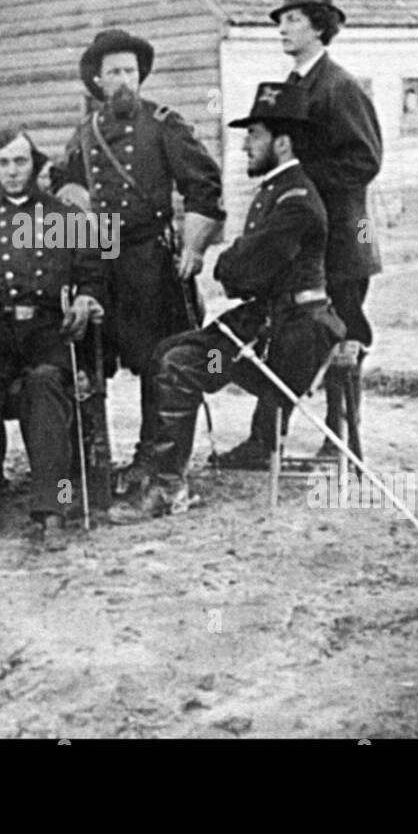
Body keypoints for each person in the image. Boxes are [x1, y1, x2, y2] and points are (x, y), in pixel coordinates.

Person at [112, 82, 346, 520]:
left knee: (182, 366)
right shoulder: (279, 190)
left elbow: (243, 271)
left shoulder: (295, 199)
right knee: (167, 352)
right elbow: (244, 265)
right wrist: (235, 263)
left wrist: (230, 265)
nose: (244, 145)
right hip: (266, 327)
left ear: (282, 141)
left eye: (253, 135)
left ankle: (167, 488)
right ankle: (158, 468)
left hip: (286, 343)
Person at [218, 0, 383, 468]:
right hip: (300, 240)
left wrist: (303, 183)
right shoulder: (291, 88)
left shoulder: (339, 86)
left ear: (318, 25)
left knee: (343, 338)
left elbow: (365, 160)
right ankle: (264, 442)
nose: (282, 28)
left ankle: (340, 441)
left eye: (292, 19)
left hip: (341, 242)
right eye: (280, 21)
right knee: (286, 335)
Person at [59, 30, 224, 490]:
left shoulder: (165, 124)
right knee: (94, 358)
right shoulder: (84, 135)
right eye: (114, 72)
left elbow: (204, 185)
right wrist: (73, 266)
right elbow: (67, 198)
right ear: (98, 78)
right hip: (102, 259)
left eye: (131, 71)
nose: (124, 80)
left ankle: (156, 458)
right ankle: (96, 459)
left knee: (159, 360)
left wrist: (193, 247)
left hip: (151, 260)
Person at [0, 127, 106, 551]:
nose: (12, 172)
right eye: (3, 163)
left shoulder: (64, 217)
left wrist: (85, 299)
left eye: (21, 161)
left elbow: (95, 274)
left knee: (44, 382)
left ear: (35, 164)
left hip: (52, 331)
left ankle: (52, 510)